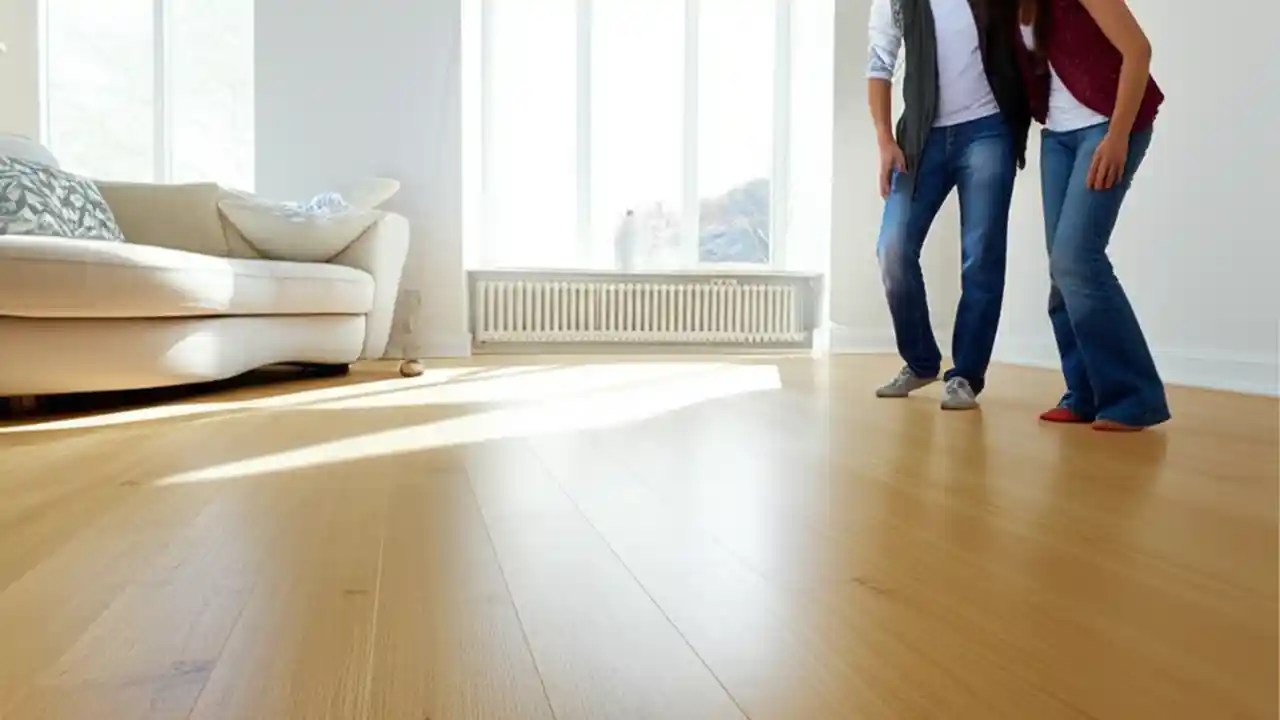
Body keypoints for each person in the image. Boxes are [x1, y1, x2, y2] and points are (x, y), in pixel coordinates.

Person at [1015, 0, 1170, 431]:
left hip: (1108, 127)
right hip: (1058, 138)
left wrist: (1118, 136)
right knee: (1061, 268)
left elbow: (1138, 50)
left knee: (1076, 259)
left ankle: (1134, 397)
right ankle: (1083, 392)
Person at [868, 0, 1030, 411]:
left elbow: (1027, 34)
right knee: (893, 247)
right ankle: (921, 361)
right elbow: (879, 63)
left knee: (981, 256)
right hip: (922, 137)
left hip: (988, 130)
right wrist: (886, 141)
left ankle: (965, 376)